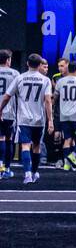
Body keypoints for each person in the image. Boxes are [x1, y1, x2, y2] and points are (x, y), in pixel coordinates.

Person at [0, 54, 53, 184]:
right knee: (36, 147)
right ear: (40, 65)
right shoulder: (45, 80)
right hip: (39, 119)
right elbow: (47, 101)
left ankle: (27, 174)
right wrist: (50, 120)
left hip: (24, 118)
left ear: (27, 64)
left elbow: (7, 96)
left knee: (25, 146)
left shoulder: (20, 78)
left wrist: (0, 109)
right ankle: (34, 173)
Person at [55, 60, 76, 172]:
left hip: (64, 115)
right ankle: (73, 155)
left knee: (67, 139)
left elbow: (55, 97)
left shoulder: (60, 82)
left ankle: (66, 164)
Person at [0, 50, 18, 179]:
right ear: (8, 60)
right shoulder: (15, 74)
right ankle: (6, 168)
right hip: (9, 111)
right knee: (8, 139)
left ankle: (0, 165)